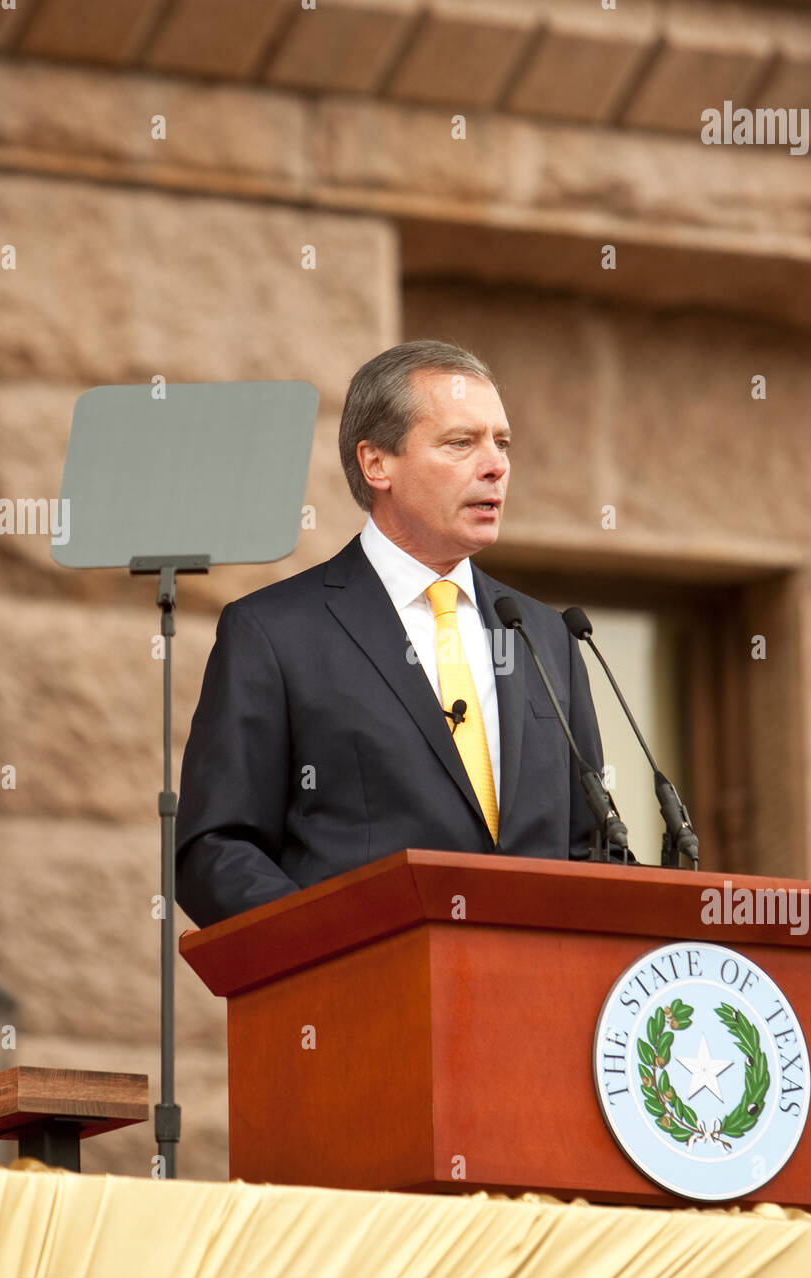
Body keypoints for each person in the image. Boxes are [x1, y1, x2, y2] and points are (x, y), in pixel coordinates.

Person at [175, 340, 617, 928]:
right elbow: (216, 852)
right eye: (461, 442)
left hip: (531, 1002)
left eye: (501, 443)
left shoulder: (548, 636)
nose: (495, 465)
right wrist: (336, 957)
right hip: (365, 1003)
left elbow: (589, 849)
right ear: (376, 463)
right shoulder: (275, 633)